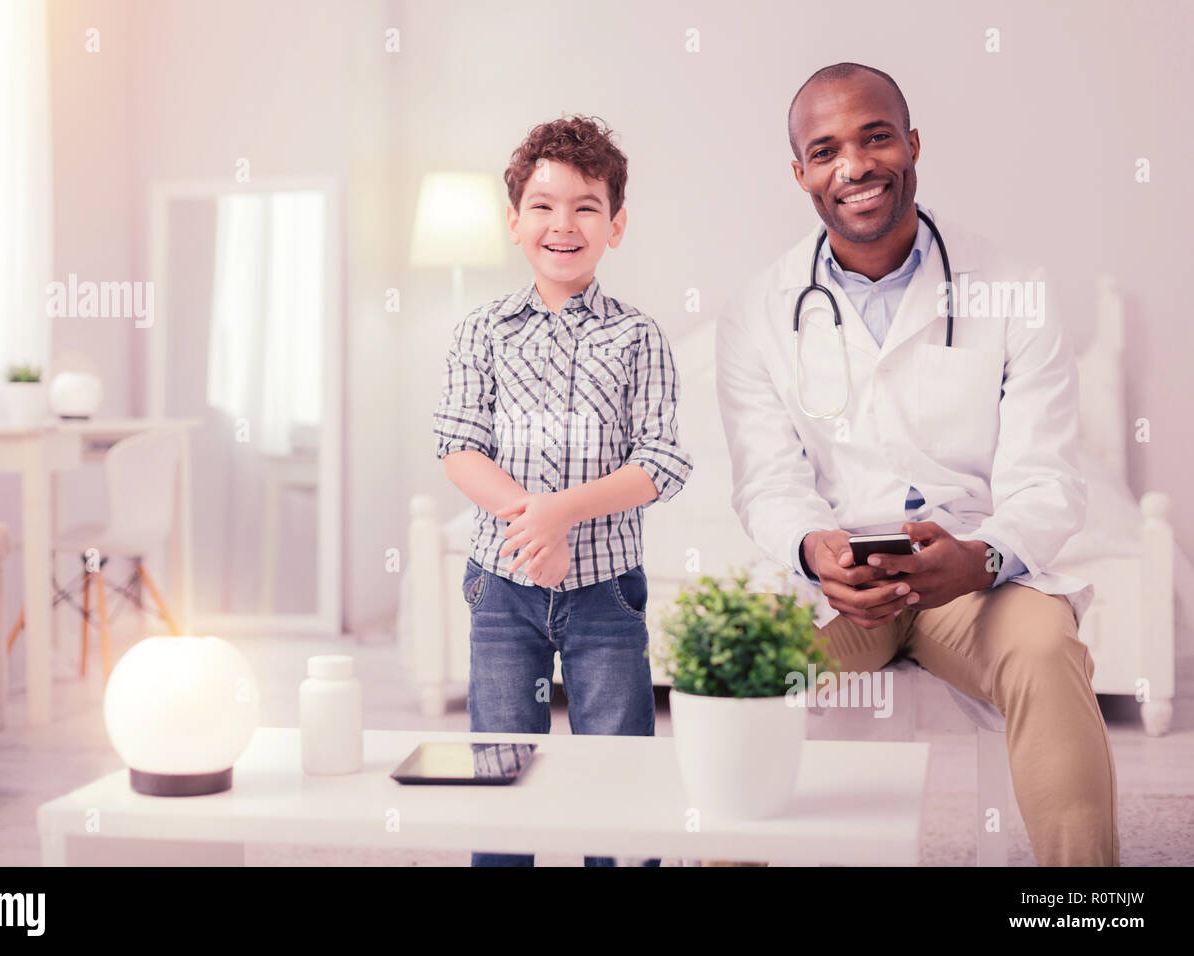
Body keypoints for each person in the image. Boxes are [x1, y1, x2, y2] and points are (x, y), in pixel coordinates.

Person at [716, 63, 1118, 866]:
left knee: (1046, 652)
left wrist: (981, 558)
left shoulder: (1014, 289)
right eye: (825, 150)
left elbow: (1048, 479)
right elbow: (767, 481)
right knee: (741, 673)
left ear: (912, 144)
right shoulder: (758, 310)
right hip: (835, 587)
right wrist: (813, 549)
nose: (855, 165)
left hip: (975, 578)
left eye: (876, 137)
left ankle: (1086, 909)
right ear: (801, 174)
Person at [433, 114, 693, 866]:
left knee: (618, 776)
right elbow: (458, 448)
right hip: (502, 588)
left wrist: (558, 515)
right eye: (543, 205)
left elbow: (662, 463)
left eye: (586, 206)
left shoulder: (638, 336)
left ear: (615, 224)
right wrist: (529, 529)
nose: (563, 223)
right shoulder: (479, 332)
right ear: (514, 223)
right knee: (502, 771)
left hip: (606, 593)